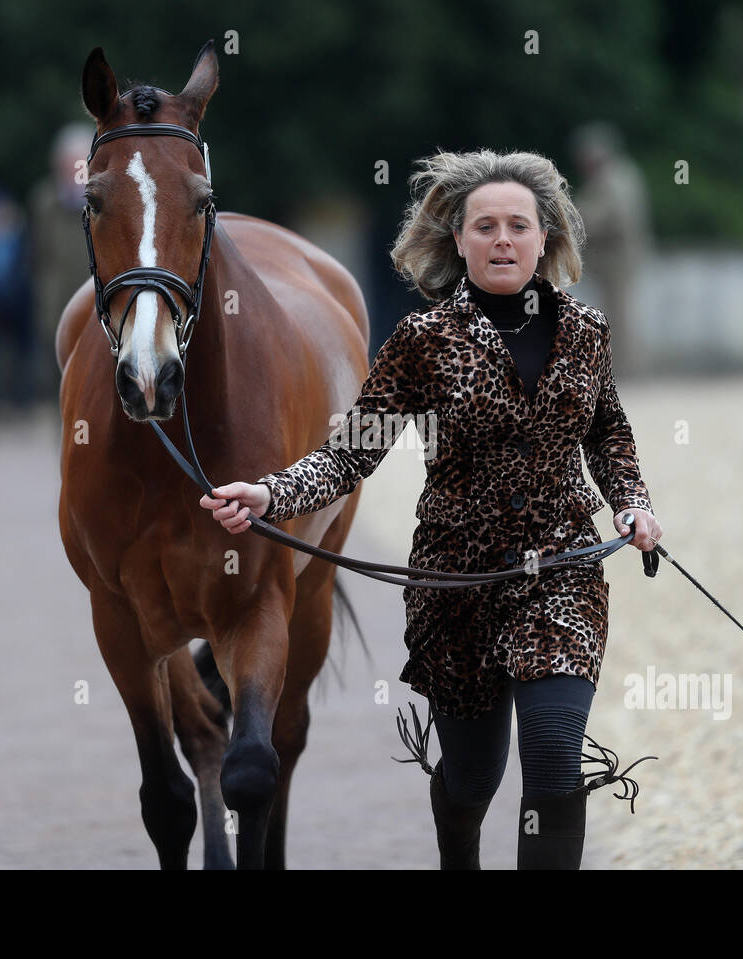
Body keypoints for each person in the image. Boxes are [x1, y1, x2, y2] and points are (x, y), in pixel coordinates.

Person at [199, 149, 663, 870]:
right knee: (474, 777)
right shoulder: (423, 341)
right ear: (459, 241)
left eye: (518, 225)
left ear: (547, 238)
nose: (502, 239)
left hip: (562, 575)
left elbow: (608, 433)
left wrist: (633, 505)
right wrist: (271, 492)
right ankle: (459, 846)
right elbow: (351, 453)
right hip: (457, 587)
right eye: (485, 226)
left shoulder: (587, 333)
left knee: (551, 757)